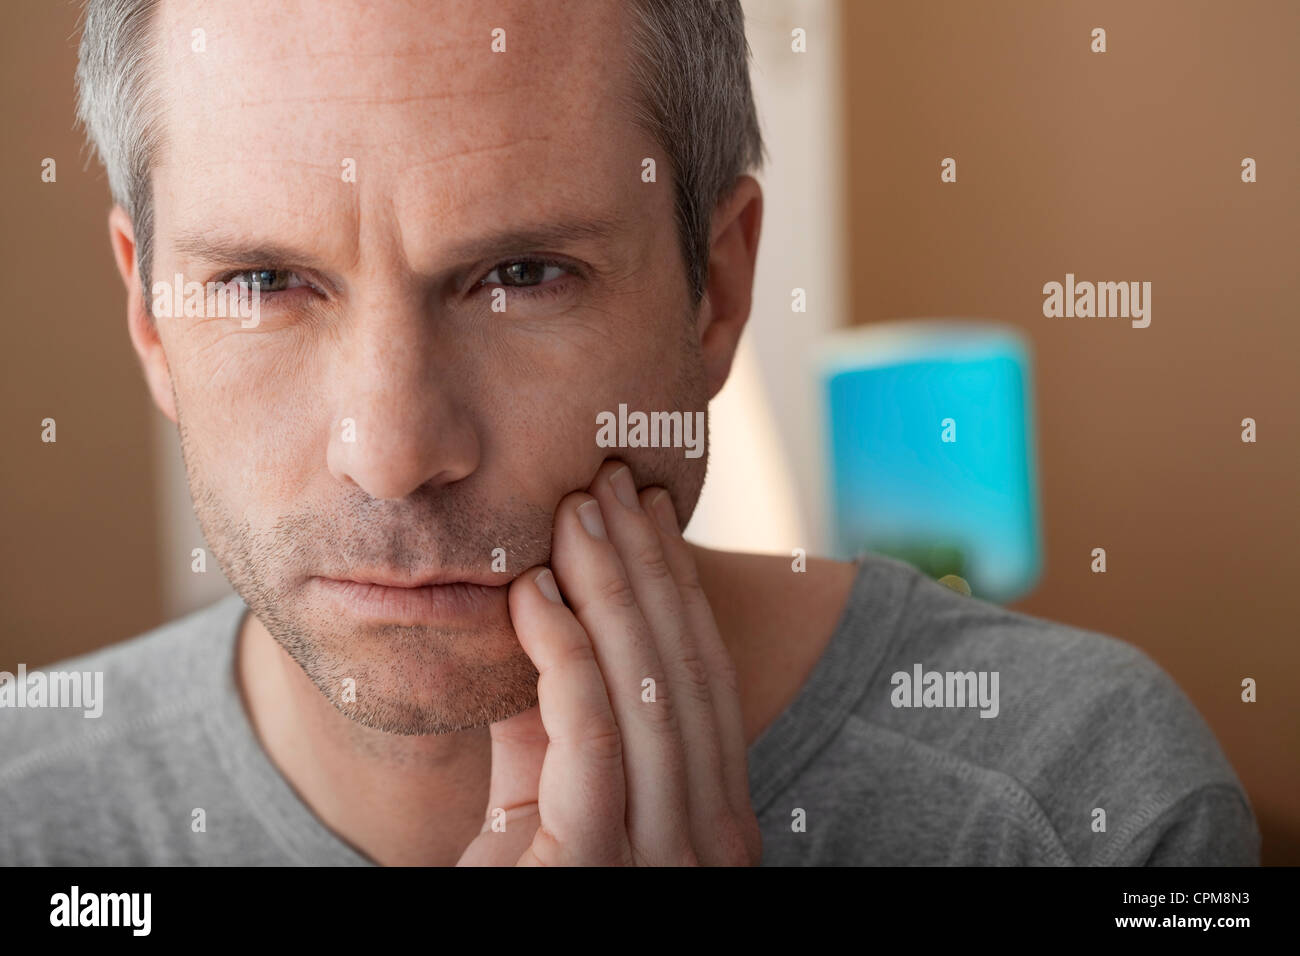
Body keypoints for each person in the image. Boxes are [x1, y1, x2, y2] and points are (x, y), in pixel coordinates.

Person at [0, 0, 1258, 866]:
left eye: (522, 274)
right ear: (149, 317)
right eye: (266, 284)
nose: (391, 449)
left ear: (715, 288)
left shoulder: (1084, 805)